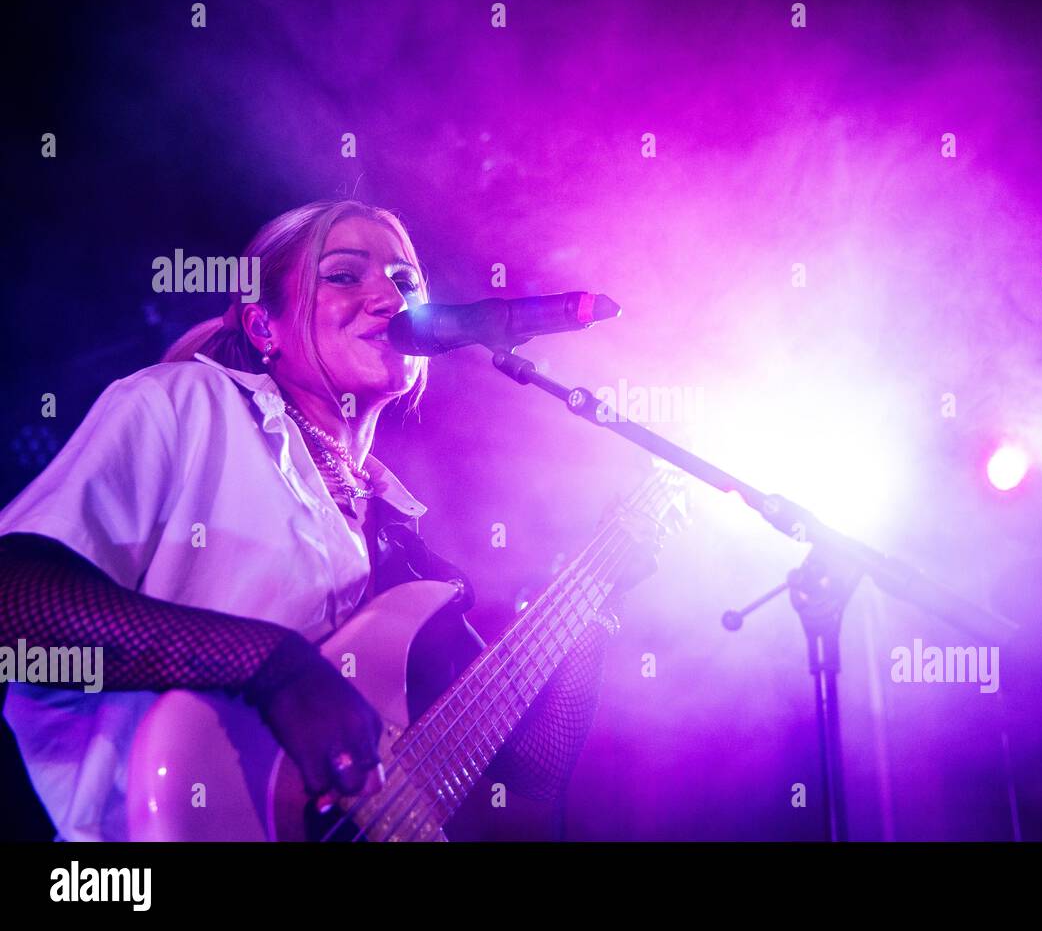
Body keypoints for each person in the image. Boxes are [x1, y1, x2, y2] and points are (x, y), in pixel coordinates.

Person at [0, 199, 631, 841]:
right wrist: (271, 666)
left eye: (406, 281)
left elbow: (525, 787)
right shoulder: (185, 407)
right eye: (343, 275)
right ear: (263, 326)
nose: (390, 296)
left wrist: (597, 607)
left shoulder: (406, 546)